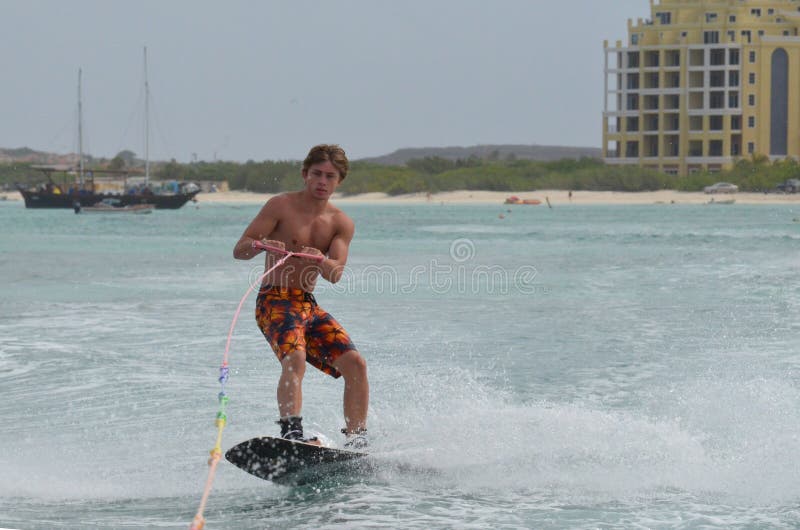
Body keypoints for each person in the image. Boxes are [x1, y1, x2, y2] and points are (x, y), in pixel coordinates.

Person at [232, 144, 369, 448]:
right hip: (274, 300)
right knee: (296, 356)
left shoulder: (341, 223)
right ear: (305, 174)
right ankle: (291, 432)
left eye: (330, 176)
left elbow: (335, 274)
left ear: (339, 181)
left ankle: (357, 440)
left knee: (356, 364)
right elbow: (239, 250)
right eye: (317, 174)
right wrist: (262, 245)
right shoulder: (280, 206)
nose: (322, 181)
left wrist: (319, 260)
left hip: (307, 305)